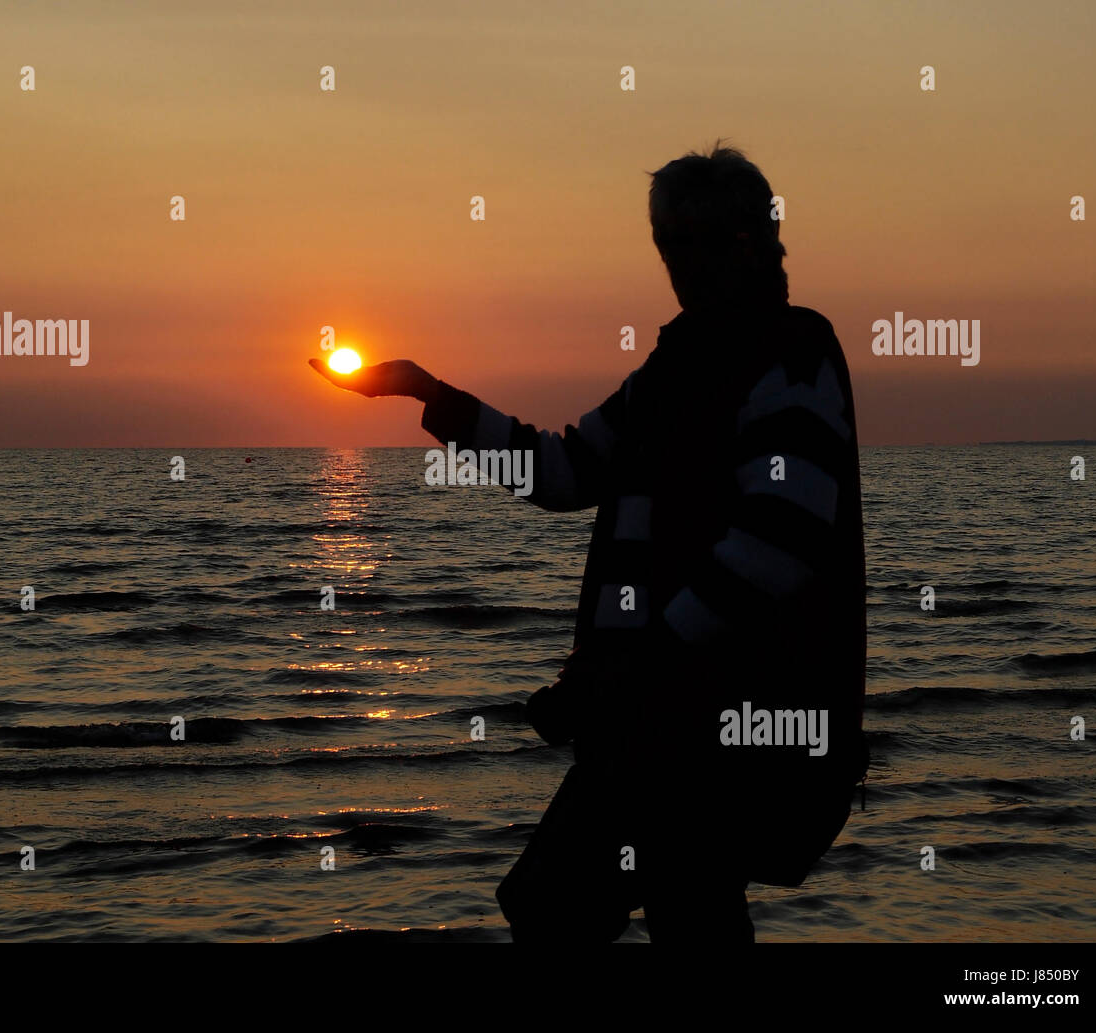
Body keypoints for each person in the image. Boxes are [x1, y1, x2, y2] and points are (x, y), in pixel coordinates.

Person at [309, 143, 868, 943]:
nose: (673, 262)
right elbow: (563, 468)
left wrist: (636, 663)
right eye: (663, 242)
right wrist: (428, 396)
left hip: (723, 733)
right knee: (673, 909)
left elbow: (781, 540)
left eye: (688, 240)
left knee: (571, 907)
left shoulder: (790, 354)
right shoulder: (675, 368)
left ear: (746, 240)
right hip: (660, 727)